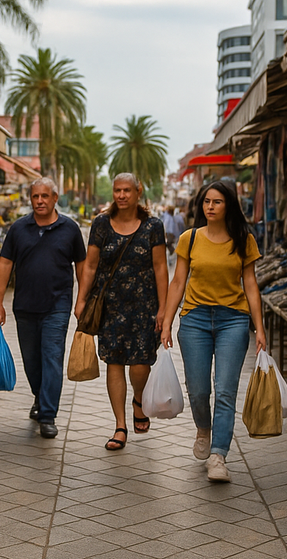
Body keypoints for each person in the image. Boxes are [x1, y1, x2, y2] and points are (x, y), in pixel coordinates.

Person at [160, 180, 265, 483]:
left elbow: (251, 285)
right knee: (199, 389)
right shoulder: (189, 239)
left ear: (228, 205)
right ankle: (203, 427)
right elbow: (178, 282)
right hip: (195, 320)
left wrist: (259, 328)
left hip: (233, 319)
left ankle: (218, 455)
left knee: (226, 390)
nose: (210, 206)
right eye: (206, 201)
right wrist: (167, 322)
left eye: (217, 202)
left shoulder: (244, 240)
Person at [75, 173, 167, 451]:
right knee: (113, 363)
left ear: (138, 192)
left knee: (141, 364)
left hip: (144, 306)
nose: (122, 195)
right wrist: (81, 300)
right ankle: (120, 425)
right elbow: (90, 265)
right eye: (117, 190)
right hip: (110, 305)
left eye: (127, 190)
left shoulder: (153, 226)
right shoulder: (101, 224)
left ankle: (139, 399)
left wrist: (164, 309)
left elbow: (161, 268)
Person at [0, 178, 87, 439]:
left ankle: (47, 415)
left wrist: (82, 300)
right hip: (24, 306)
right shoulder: (18, 229)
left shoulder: (70, 229)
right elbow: (4, 265)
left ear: (55, 197)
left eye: (45, 196)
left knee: (52, 359)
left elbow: (82, 266)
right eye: (36, 196)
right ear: (30, 198)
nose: (40, 201)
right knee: (32, 363)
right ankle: (39, 396)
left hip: (57, 305)